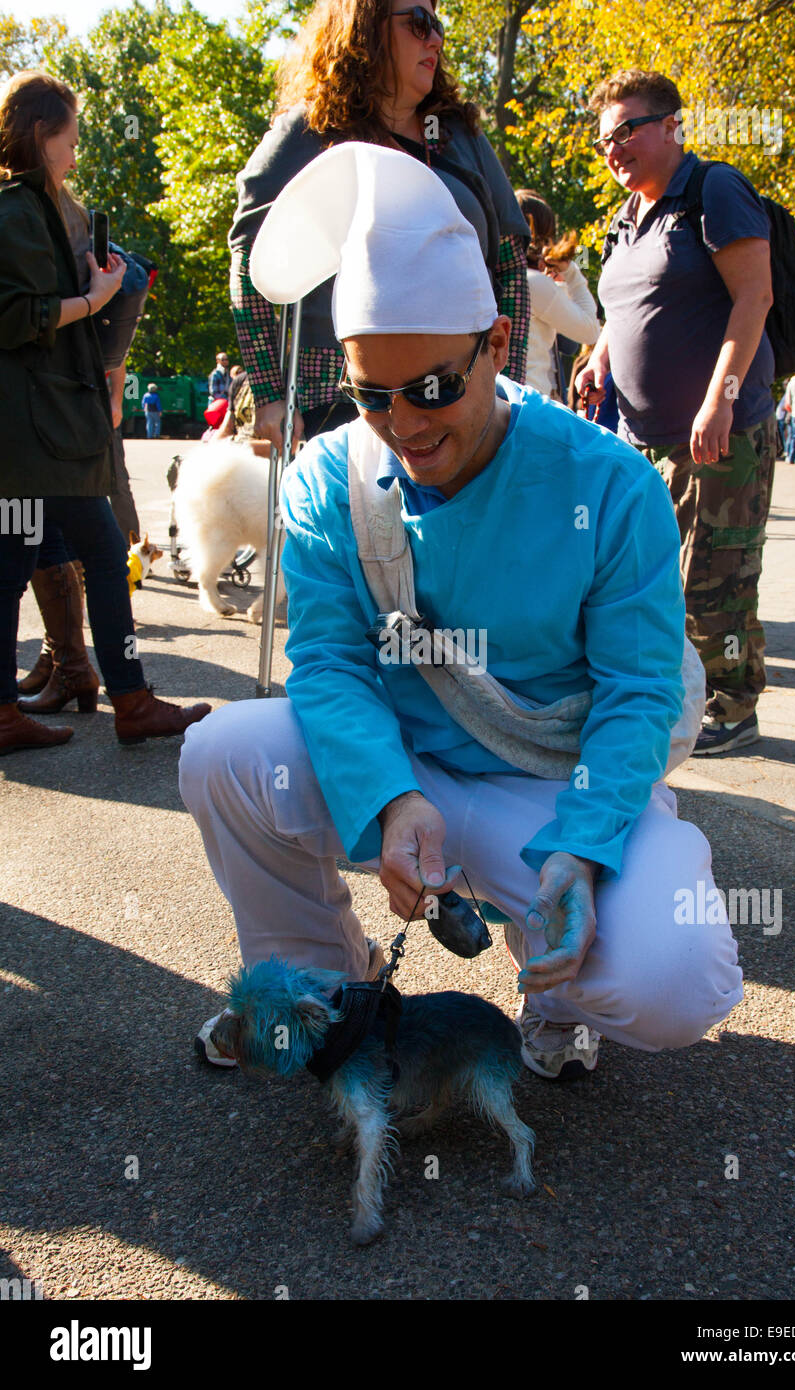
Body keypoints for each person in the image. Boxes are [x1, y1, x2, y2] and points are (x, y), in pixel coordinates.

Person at [181, 142, 742, 1084]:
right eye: (372, 396)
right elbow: (327, 664)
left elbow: (641, 689)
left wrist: (584, 845)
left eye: (434, 387)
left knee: (674, 978)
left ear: (494, 345)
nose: (405, 426)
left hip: (554, 789)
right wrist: (392, 798)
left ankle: (558, 992)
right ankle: (326, 986)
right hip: (404, 771)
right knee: (222, 756)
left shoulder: (608, 485)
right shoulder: (327, 478)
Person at [0, 70, 211, 750]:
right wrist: (95, 298)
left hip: (42, 431)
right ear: (42, 134)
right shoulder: (16, 211)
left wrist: (100, 284)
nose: (75, 153)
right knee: (77, 554)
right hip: (38, 434)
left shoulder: (33, 206)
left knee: (25, 563)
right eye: (70, 138)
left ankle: (107, 698)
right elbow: (16, 316)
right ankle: (128, 698)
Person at [576, 68, 775, 757]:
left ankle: (732, 706)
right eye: (604, 139)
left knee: (715, 577)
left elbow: (754, 298)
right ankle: (667, 694)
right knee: (647, 578)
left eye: (627, 130)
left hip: (720, 434)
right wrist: (601, 352)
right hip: (640, 437)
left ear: (670, 125)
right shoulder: (626, 218)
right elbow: (627, 306)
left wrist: (719, 399)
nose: (614, 148)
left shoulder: (712, 189)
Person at [229, 0, 530, 454]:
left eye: (437, 24)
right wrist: (271, 395)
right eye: (418, 22)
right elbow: (249, 259)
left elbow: (509, 265)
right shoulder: (311, 131)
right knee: (361, 523)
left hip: (457, 390)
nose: (435, 38)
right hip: (345, 396)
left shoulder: (457, 135)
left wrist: (508, 382)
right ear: (365, 28)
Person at [515, 189, 599, 398]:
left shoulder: (493, 276)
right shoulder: (534, 283)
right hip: (533, 404)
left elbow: (567, 346)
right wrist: (571, 273)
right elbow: (590, 331)